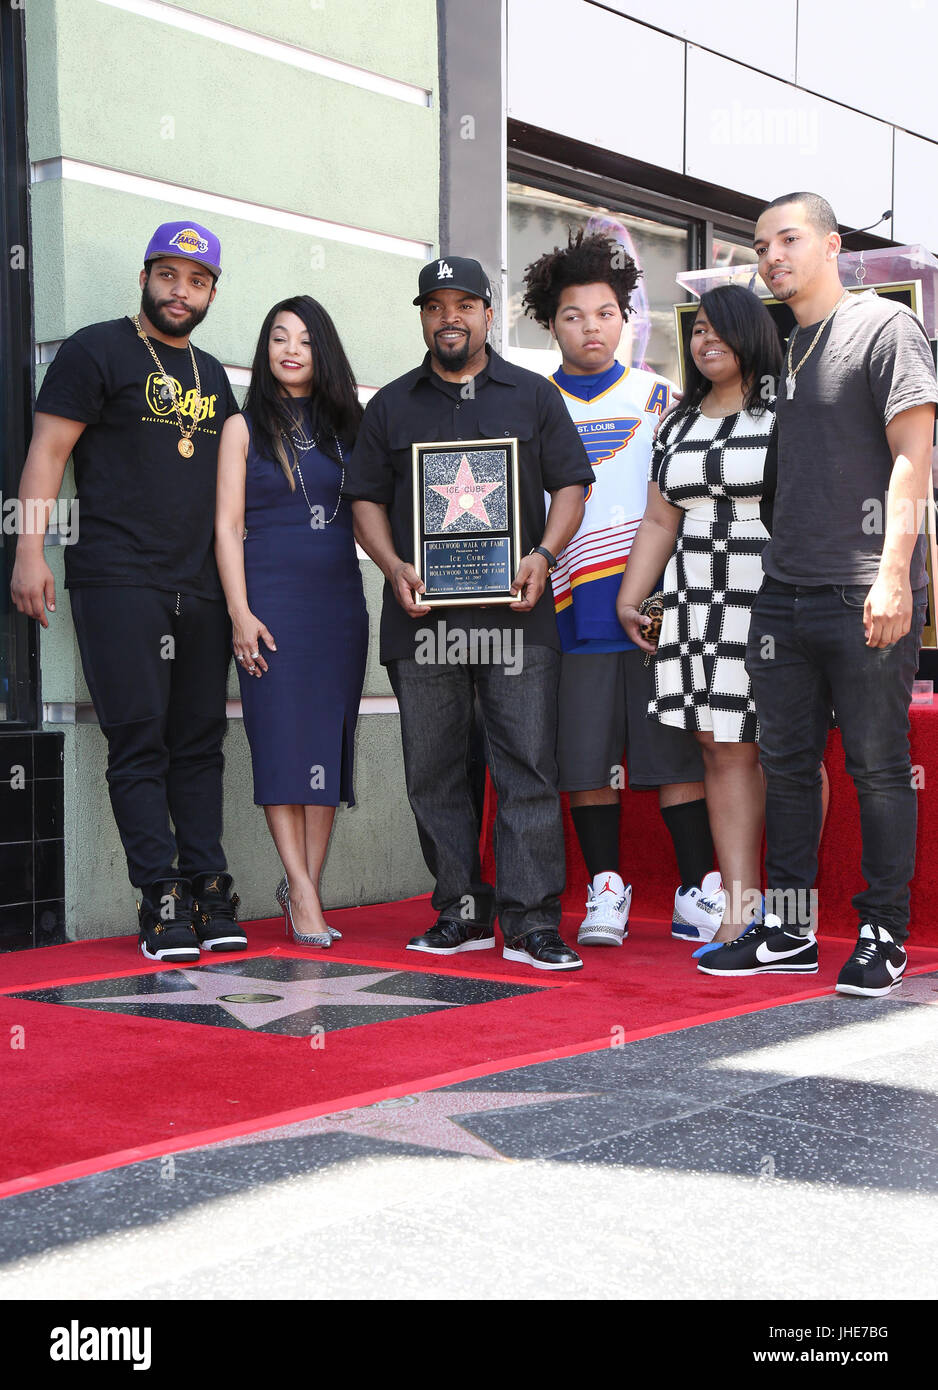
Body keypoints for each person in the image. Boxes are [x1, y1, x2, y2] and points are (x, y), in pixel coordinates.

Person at [698, 191, 938, 995]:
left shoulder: (883, 328)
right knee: (789, 766)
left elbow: (913, 456)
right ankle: (790, 929)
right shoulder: (789, 346)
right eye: (761, 245)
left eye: (788, 239)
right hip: (784, 591)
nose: (772, 256)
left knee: (877, 767)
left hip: (862, 588)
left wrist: (893, 575)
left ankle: (882, 934)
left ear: (832, 245)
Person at [344, 256, 594, 971]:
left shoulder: (534, 396)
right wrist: (391, 566)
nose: (448, 317)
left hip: (517, 615)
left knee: (527, 767)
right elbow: (363, 498)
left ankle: (533, 921)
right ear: (422, 317)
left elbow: (571, 486)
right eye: (434, 306)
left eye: (463, 305)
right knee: (434, 770)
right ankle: (461, 910)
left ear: (489, 314)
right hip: (422, 620)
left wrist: (544, 555)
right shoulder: (390, 404)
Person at [11, 222, 245, 961]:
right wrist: (28, 550)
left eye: (198, 280)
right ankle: (160, 898)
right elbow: (47, 452)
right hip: (118, 575)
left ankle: (208, 887)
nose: (182, 291)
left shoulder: (213, 374)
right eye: (170, 276)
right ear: (145, 277)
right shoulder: (96, 350)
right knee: (138, 737)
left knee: (201, 743)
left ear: (212, 291)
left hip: (200, 585)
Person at [521, 230, 721, 948]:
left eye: (605, 313)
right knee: (585, 758)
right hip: (569, 611)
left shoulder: (662, 397)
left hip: (655, 611)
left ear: (626, 317)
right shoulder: (528, 402)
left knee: (674, 756)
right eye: (574, 315)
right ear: (552, 323)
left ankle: (699, 889)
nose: (591, 328)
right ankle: (607, 887)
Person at [617, 285, 782, 945]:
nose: (707, 342)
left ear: (753, 337)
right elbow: (662, 517)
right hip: (696, 601)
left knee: (787, 754)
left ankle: (793, 912)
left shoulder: (787, 413)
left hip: (772, 599)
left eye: (721, 330)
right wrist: (631, 596)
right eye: (699, 331)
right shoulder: (677, 422)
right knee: (719, 748)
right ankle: (741, 910)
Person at [215, 297, 367, 946]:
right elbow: (225, 527)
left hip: (338, 609)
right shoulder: (242, 428)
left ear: (322, 349)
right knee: (281, 748)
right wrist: (240, 613)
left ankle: (305, 884)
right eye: (278, 336)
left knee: (324, 754)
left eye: (304, 339)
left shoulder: (347, 429)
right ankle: (302, 893)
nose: (291, 348)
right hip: (270, 607)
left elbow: (377, 513)